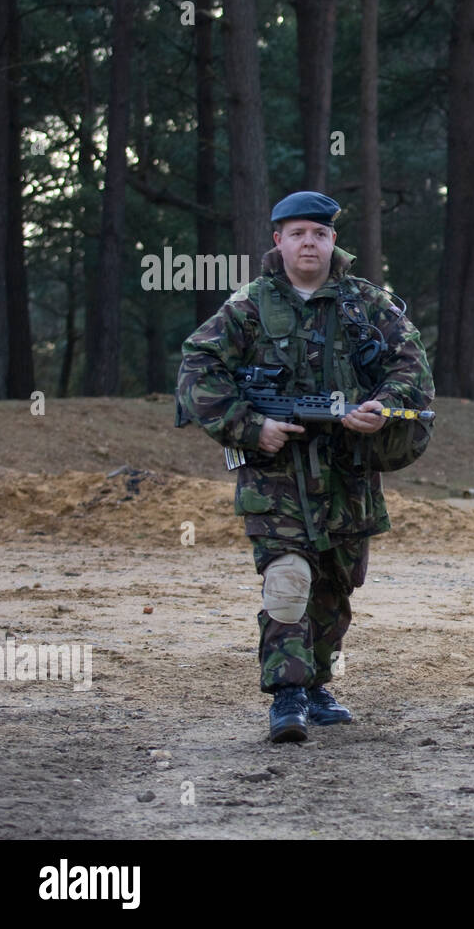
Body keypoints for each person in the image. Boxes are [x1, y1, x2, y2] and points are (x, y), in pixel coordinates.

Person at [176, 191, 434, 743]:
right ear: (279, 241)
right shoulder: (248, 307)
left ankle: (317, 684)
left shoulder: (368, 303)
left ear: (333, 240)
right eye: (297, 233)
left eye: (318, 233)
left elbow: (411, 365)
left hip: (348, 471)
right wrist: (252, 428)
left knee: (337, 585)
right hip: (276, 472)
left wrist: (382, 407)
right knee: (288, 577)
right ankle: (287, 695)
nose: (309, 243)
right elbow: (199, 370)